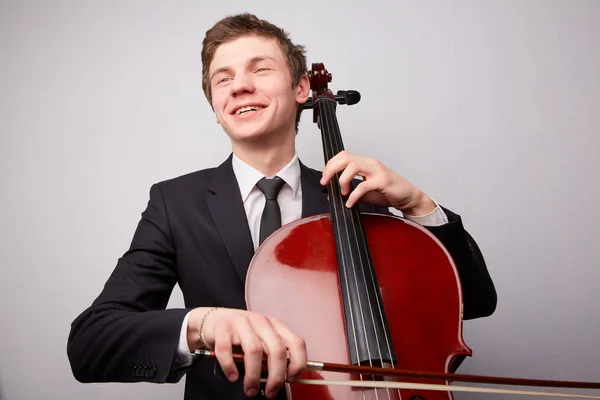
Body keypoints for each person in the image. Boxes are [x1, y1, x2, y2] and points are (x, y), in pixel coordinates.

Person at [67, 12, 497, 400]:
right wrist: (202, 325)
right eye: (223, 78)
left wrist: (419, 205)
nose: (240, 86)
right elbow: (91, 343)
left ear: (302, 88)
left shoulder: (356, 197)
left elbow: (473, 302)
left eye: (261, 69)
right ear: (216, 107)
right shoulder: (175, 203)